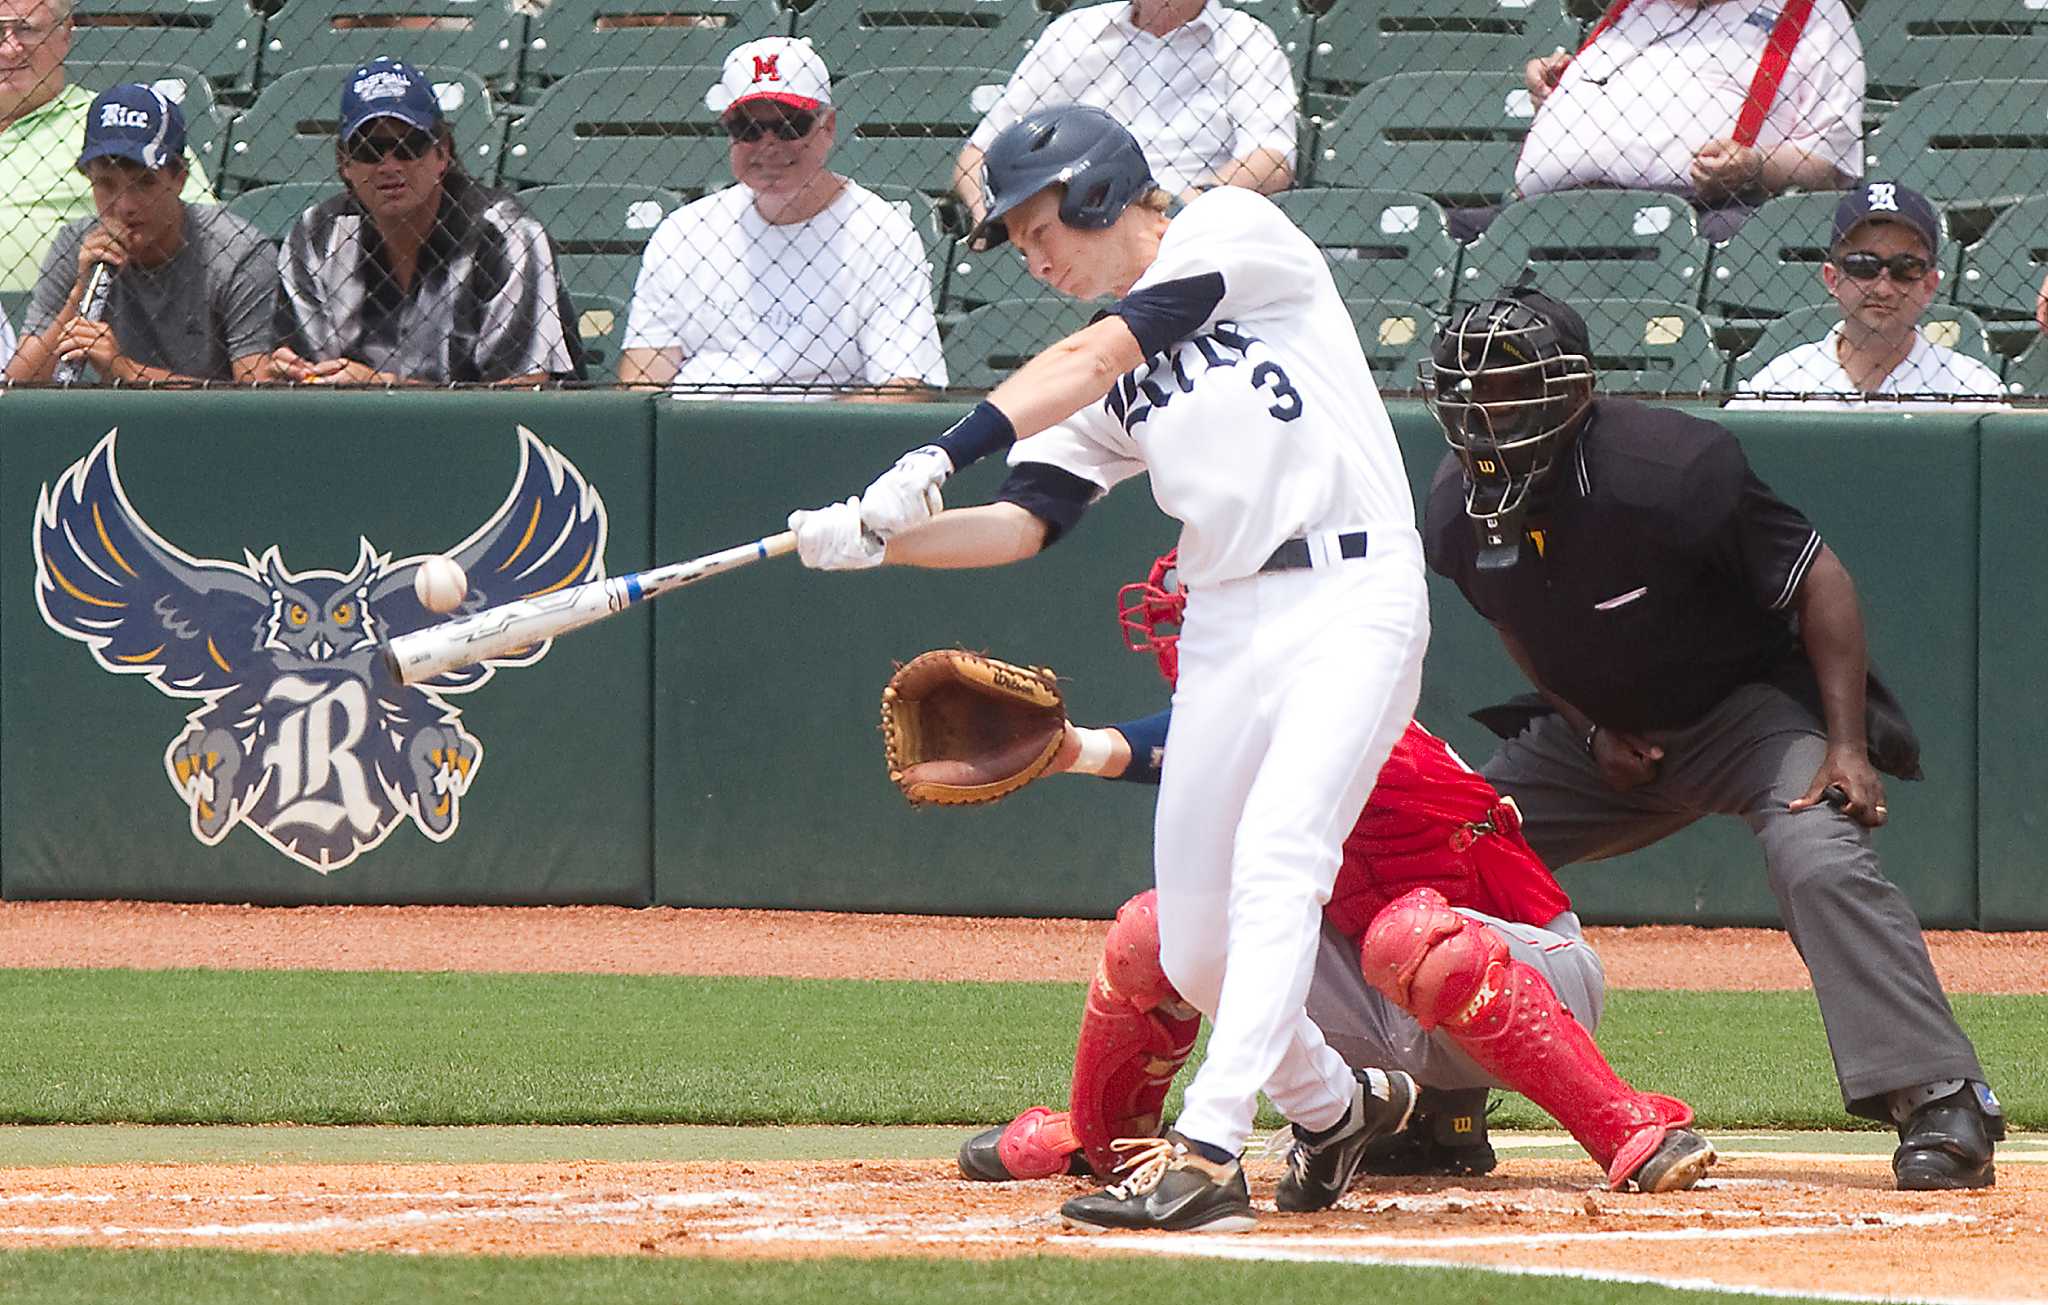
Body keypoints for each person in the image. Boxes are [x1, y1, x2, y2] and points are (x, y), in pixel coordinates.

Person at [787, 104, 1430, 1233]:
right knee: (1194, 943)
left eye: (1040, 230)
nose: (1031, 259)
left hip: (1352, 592)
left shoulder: (1231, 232)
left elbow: (1096, 351)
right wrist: (877, 539)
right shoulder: (1103, 384)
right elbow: (1022, 522)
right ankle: (1335, 1109)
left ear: (1097, 194)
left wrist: (937, 449)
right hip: (1229, 621)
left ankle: (1209, 1153)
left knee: (1280, 858)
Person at [1419, 284, 2006, 1193]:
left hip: (1747, 714)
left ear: (1573, 392)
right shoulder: (1456, 506)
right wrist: (1587, 727)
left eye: (1510, 388)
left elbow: (1822, 581)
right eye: (1469, 393)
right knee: (1442, 853)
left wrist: (1846, 743)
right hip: (1607, 740)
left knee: (1819, 857)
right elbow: (1515, 625)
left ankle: (1942, 1095)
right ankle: (1440, 1101)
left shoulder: (1671, 468)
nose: (1486, 413)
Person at [952, 549, 1717, 1200]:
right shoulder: (1237, 751)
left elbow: (1221, 736)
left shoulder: (1356, 708)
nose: (1188, 629)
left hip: (1534, 972)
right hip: (1374, 988)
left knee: (1408, 934)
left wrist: (1084, 748)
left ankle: (1630, 1126)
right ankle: (1106, 1142)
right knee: (1162, 930)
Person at [618, 37, 946, 400]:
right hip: (694, 438)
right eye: (748, 129)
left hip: (818, 442)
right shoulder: (683, 233)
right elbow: (641, 383)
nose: (769, 144)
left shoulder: (881, 233)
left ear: (828, 127)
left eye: (791, 126)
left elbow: (905, 387)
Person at [271, 57, 584, 386]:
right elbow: (301, 385)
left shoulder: (506, 233)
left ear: (442, 152)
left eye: (409, 146)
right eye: (369, 149)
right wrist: (294, 373)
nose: (389, 166)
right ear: (344, 163)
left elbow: (524, 392)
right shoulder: (317, 234)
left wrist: (382, 387)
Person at [1486, 0, 1863, 243]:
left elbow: (1833, 163)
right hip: (1541, 216)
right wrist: (1564, 88)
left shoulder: (1811, 13)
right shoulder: (1634, 7)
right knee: (1444, 233)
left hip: (1690, 223)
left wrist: (1755, 166)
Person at [6, 84, 277, 385]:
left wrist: (127, 372)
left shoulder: (236, 252)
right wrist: (79, 294)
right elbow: (14, 388)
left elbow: (255, 397)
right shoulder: (76, 244)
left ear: (180, 179)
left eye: (144, 183)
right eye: (106, 184)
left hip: (209, 431)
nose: (125, 206)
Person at [953, 1, 1297, 225]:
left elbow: (1272, 157)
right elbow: (977, 154)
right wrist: (1002, 222)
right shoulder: (1073, 34)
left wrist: (1184, 208)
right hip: (1070, 231)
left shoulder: (1246, 38)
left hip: (1190, 228)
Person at [0, 0, 212, 295]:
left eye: (27, 30)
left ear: (64, 34)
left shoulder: (118, 123)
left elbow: (206, 237)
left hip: (71, 326)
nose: (10, 49)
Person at [1733, 183, 2005, 410]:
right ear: (1832, 278)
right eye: (1863, 265)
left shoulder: (1972, 390)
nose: (1882, 289)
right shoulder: (1781, 383)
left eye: (1905, 268)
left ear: (1929, 284)